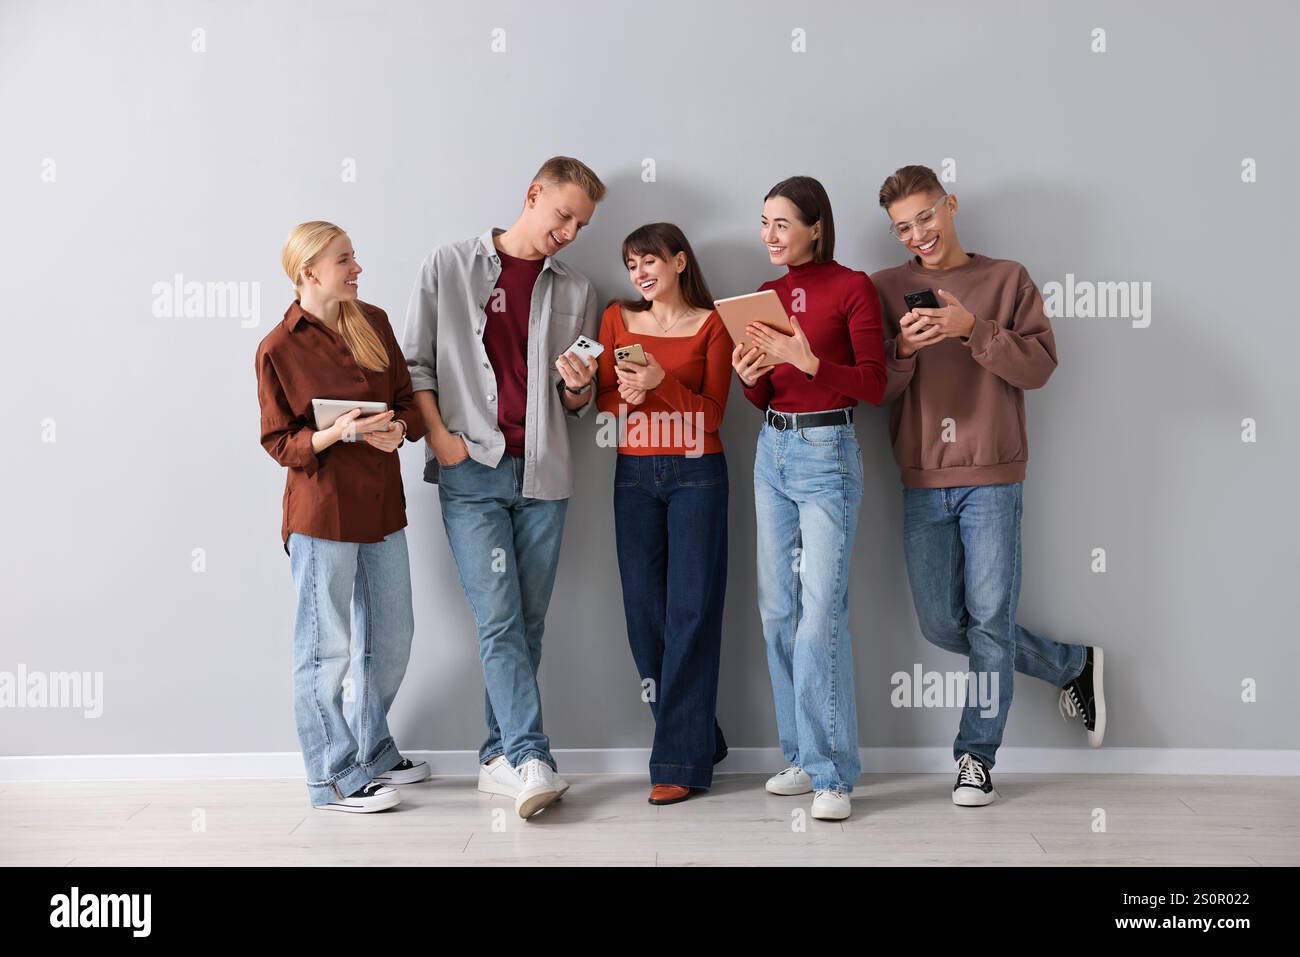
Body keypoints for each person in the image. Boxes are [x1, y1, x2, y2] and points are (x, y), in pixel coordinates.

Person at [870, 165, 1106, 807]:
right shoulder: (885, 288)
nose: (917, 233)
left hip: (994, 476)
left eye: (925, 216)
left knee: (992, 624)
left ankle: (975, 757)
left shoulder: (1007, 278)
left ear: (949, 205)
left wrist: (971, 330)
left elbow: (1039, 369)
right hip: (921, 477)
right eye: (902, 227)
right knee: (946, 624)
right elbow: (875, 391)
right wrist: (904, 350)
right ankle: (1071, 665)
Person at [402, 157, 604, 819]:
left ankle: (496, 757)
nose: (569, 231)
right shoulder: (449, 265)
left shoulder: (578, 287)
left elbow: (580, 399)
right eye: (563, 214)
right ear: (533, 194)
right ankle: (531, 753)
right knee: (497, 619)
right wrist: (439, 438)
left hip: (545, 474)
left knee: (529, 621)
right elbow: (416, 365)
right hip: (471, 472)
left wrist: (577, 385)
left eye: (580, 223)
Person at [255, 221, 429, 813]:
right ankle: (333, 776)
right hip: (320, 513)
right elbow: (279, 441)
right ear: (308, 272)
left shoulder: (372, 321)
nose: (357, 269)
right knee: (324, 649)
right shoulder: (278, 348)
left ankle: (374, 749)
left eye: (354, 257)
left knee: (393, 636)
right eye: (344, 260)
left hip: (382, 504)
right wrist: (333, 435)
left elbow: (409, 402)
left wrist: (400, 429)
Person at [732, 176, 886, 821]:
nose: (769, 235)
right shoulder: (764, 296)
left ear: (815, 227)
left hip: (828, 456)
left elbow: (875, 384)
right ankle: (799, 756)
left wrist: (811, 359)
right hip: (773, 451)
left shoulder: (853, 288)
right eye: (763, 222)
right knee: (777, 611)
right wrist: (750, 380)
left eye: (781, 224)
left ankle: (833, 775)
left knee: (821, 613)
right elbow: (771, 397)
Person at [595, 223, 733, 805]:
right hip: (634, 473)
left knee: (692, 612)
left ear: (679, 261)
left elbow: (712, 415)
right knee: (643, 615)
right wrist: (614, 395)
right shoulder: (616, 319)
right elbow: (605, 396)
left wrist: (661, 383)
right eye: (631, 265)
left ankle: (678, 761)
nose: (640, 274)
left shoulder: (715, 323)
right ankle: (698, 736)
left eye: (649, 261)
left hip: (698, 472)